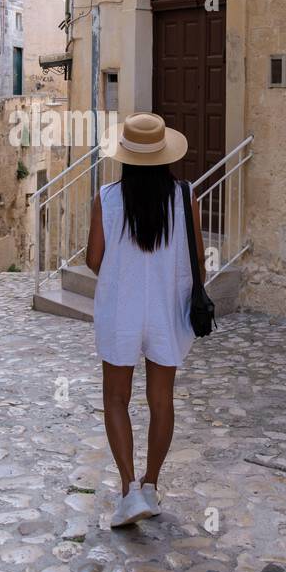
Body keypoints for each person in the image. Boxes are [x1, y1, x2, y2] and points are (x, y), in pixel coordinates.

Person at [86, 112, 205, 527]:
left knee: (116, 398)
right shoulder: (184, 197)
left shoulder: (108, 197)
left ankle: (128, 489)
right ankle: (151, 485)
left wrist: (125, 275)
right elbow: (198, 261)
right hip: (165, 309)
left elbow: (93, 258)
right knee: (161, 400)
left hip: (121, 307)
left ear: (126, 157)